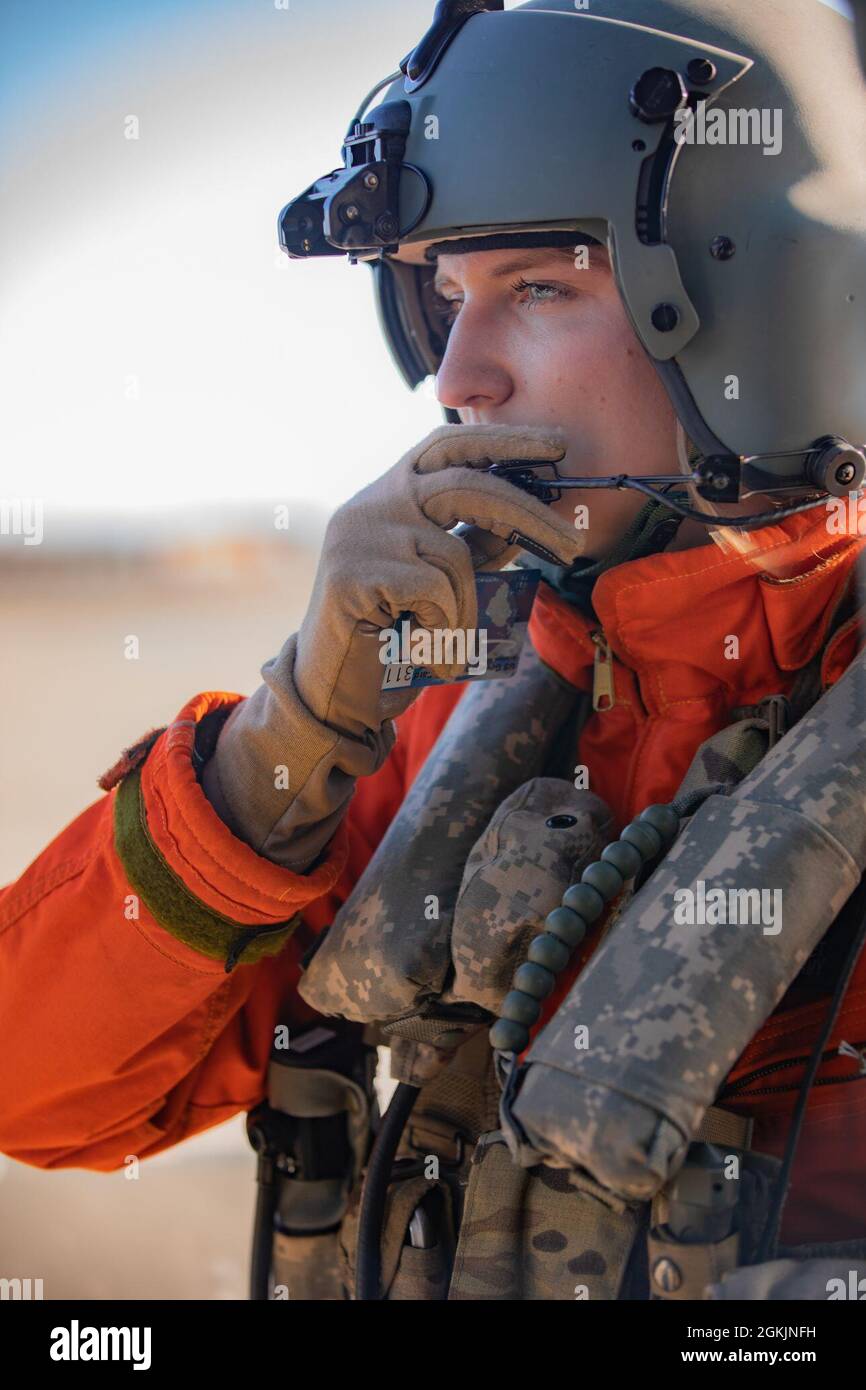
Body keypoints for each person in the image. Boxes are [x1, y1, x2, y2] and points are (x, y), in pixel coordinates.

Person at [2, 0, 865, 1301]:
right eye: (444, 296)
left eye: (536, 288)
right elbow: (43, 1095)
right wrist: (276, 748)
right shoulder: (451, 717)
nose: (456, 376)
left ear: (754, 292)